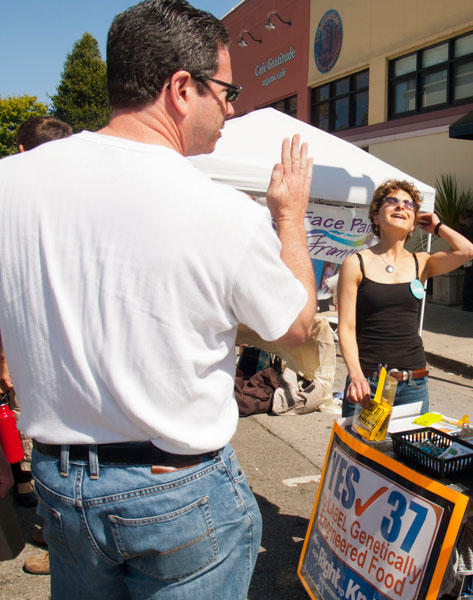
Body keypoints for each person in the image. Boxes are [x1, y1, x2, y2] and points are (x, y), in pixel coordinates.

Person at [0, 0, 315, 597]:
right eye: (226, 89)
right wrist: (290, 219)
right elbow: (296, 326)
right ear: (179, 88)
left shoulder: (10, 184)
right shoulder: (220, 210)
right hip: (174, 487)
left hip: (61, 486)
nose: (232, 106)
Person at [1, 115, 74, 576]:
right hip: (66, 348)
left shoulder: (13, 197)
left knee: (51, 437)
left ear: (23, 153)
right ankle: (52, 529)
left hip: (40, 348)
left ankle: (55, 537)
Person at [338, 179, 473, 418]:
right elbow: (346, 328)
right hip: (368, 384)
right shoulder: (356, 263)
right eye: (391, 201)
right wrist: (356, 375)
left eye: (408, 204)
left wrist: (438, 226)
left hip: (414, 383)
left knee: (408, 454)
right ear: (376, 217)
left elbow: (468, 251)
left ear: (414, 223)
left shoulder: (421, 262)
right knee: (362, 453)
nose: (400, 206)